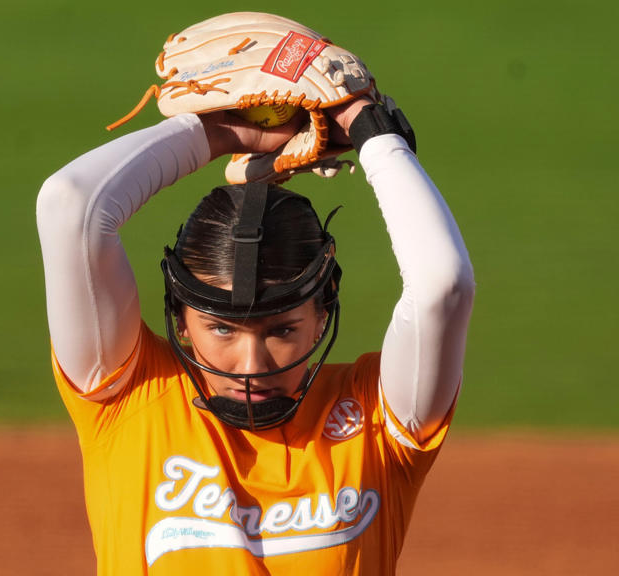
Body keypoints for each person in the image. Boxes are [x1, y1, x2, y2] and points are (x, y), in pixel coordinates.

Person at [36, 88, 475, 574]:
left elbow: (443, 285)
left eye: (282, 328)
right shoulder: (129, 396)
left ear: (321, 318)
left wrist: (372, 131)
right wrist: (220, 132)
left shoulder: (376, 417)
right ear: (182, 321)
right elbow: (68, 207)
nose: (251, 367)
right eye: (221, 329)